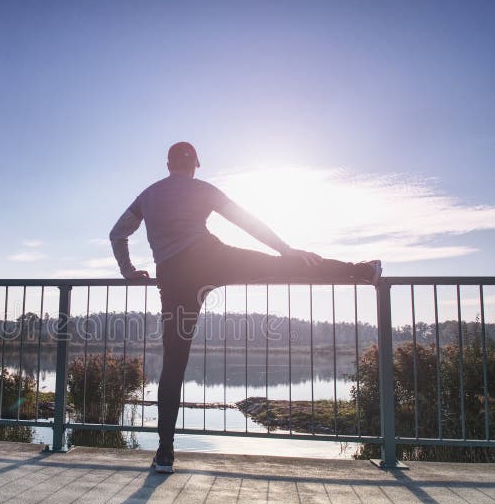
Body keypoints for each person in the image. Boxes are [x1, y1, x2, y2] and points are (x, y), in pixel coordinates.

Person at [109, 142, 381, 473]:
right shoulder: (202, 189)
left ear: (167, 165)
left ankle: (164, 453)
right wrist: (285, 249)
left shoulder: (147, 196)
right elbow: (246, 222)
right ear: (196, 164)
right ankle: (363, 270)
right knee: (288, 266)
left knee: (174, 363)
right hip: (211, 260)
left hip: (173, 277)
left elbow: (117, 233)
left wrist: (128, 271)